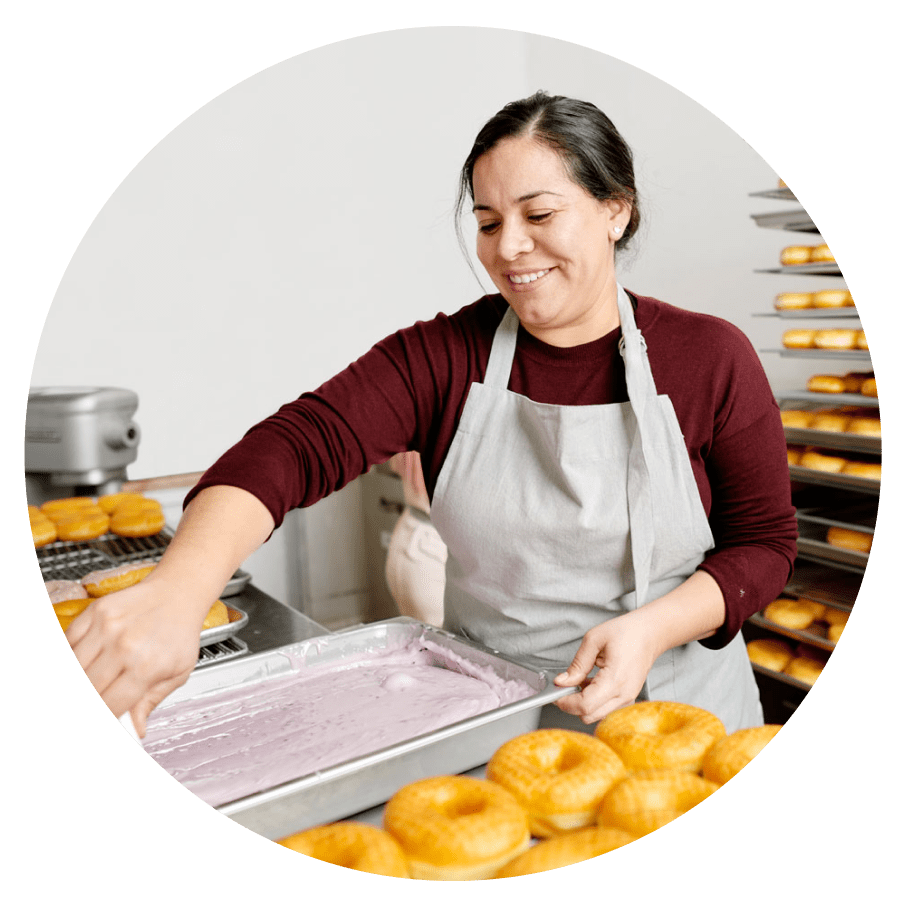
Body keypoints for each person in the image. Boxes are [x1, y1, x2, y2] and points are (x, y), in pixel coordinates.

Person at [66, 91, 797, 738]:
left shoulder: (709, 358)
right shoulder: (443, 359)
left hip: (687, 724)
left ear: (615, 210)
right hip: (497, 725)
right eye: (487, 221)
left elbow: (764, 544)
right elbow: (293, 445)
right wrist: (179, 589)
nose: (509, 248)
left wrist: (654, 627)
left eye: (539, 214)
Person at [385, 451, 447, 627]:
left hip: (410, 531)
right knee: (434, 643)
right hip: (429, 548)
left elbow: (394, 465)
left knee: (420, 638)